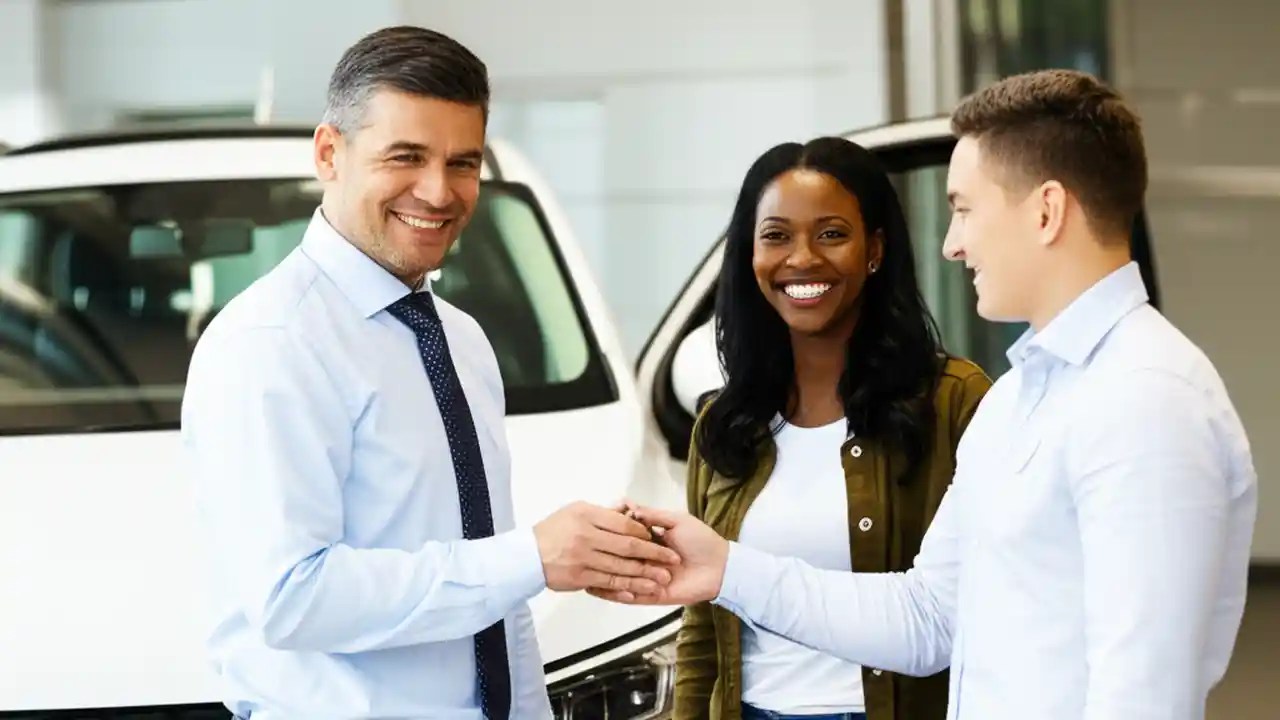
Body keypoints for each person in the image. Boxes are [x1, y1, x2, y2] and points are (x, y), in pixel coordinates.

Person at [606, 69, 1258, 720]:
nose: (951, 244)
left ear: (1046, 211)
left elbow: (1145, 701)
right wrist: (726, 569)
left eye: (965, 208)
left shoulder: (1146, 400)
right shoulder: (1019, 399)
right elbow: (926, 617)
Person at [181, 26, 678, 720]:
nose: (439, 192)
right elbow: (292, 599)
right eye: (406, 156)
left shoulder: (462, 341)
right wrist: (530, 558)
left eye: (463, 163)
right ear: (330, 153)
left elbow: (495, 600)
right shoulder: (270, 344)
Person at [666, 137, 991, 720]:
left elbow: (992, 611)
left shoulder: (954, 403)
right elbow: (700, 633)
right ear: (750, 255)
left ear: (875, 249)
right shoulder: (723, 422)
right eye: (776, 236)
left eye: (832, 233)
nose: (802, 258)